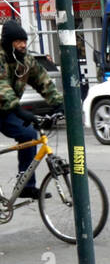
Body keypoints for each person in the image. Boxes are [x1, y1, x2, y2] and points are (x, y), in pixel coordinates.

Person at [0, 19, 63, 200]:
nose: (22, 45)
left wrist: (58, 103)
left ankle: (26, 186)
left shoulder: (26, 60)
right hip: (7, 105)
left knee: (28, 134)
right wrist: (19, 110)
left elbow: (42, 80)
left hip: (6, 111)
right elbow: (2, 86)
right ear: (8, 42)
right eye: (18, 42)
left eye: (24, 41)